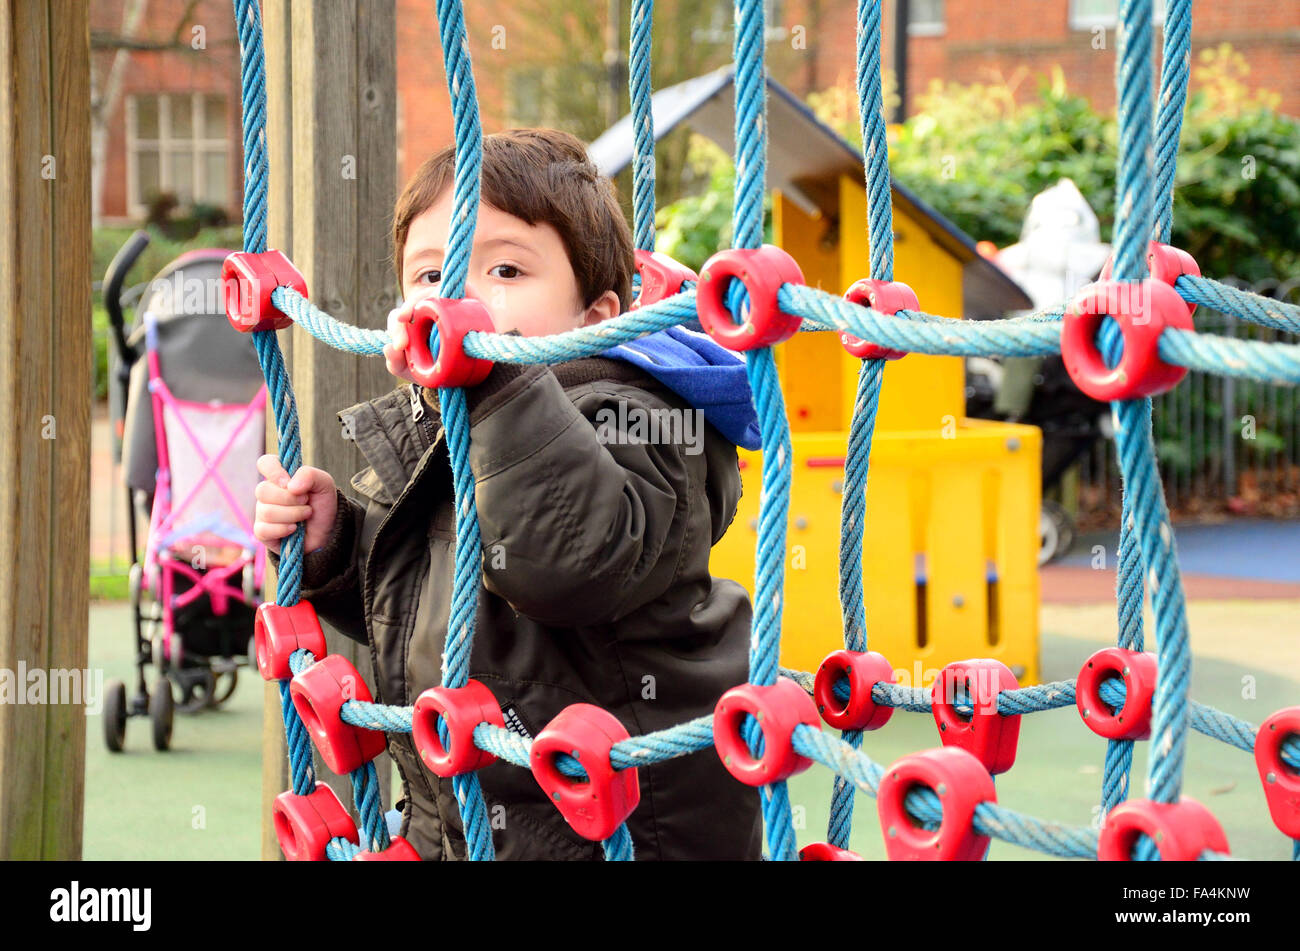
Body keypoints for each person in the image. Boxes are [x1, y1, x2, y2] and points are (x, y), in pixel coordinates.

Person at [253, 128, 765, 860]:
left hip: (621, 827)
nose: (457, 300)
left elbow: (567, 564)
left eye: (503, 270)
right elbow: (429, 608)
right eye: (430, 278)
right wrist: (337, 547)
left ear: (596, 318)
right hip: (468, 812)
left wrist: (498, 382)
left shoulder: (642, 417)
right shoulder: (433, 429)